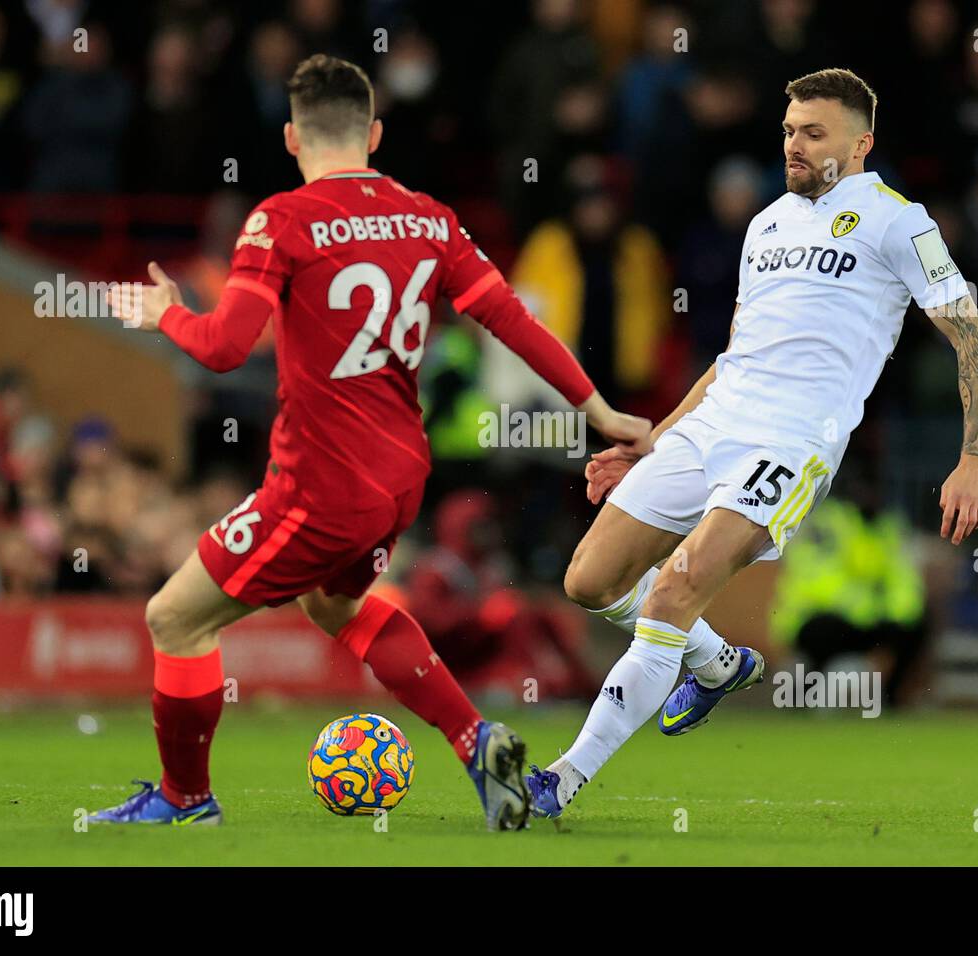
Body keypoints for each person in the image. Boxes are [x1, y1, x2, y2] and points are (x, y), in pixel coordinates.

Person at [93, 55, 650, 830]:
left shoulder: (281, 219)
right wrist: (602, 410)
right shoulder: (429, 217)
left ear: (292, 136)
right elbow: (512, 321)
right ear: (375, 133)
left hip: (322, 482)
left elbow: (225, 348)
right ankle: (475, 738)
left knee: (174, 619)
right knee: (336, 604)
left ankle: (185, 801)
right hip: (400, 475)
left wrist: (167, 315)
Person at [526, 68, 978, 818]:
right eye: (788, 131)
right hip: (716, 423)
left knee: (678, 586)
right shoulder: (768, 222)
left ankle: (559, 780)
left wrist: (975, 458)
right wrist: (653, 443)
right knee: (589, 581)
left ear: (861, 142)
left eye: (813, 132)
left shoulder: (899, 222)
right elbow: (731, 356)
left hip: (793, 439)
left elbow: (972, 338)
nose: (795, 145)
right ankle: (714, 663)